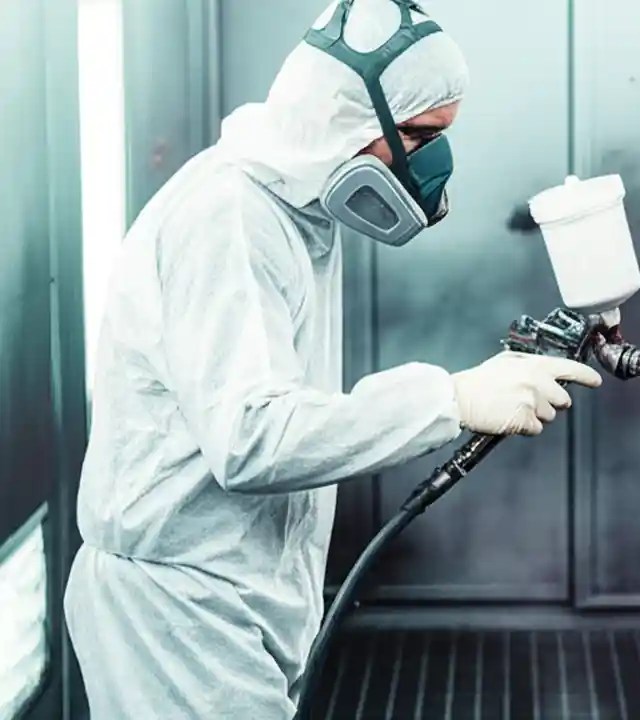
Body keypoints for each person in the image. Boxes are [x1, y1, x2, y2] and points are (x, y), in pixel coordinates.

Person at [63, 0, 601, 716]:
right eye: (420, 135)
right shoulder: (229, 219)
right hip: (179, 607)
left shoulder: (297, 206)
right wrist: (451, 399)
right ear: (350, 120)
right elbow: (251, 438)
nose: (433, 161)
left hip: (236, 590)